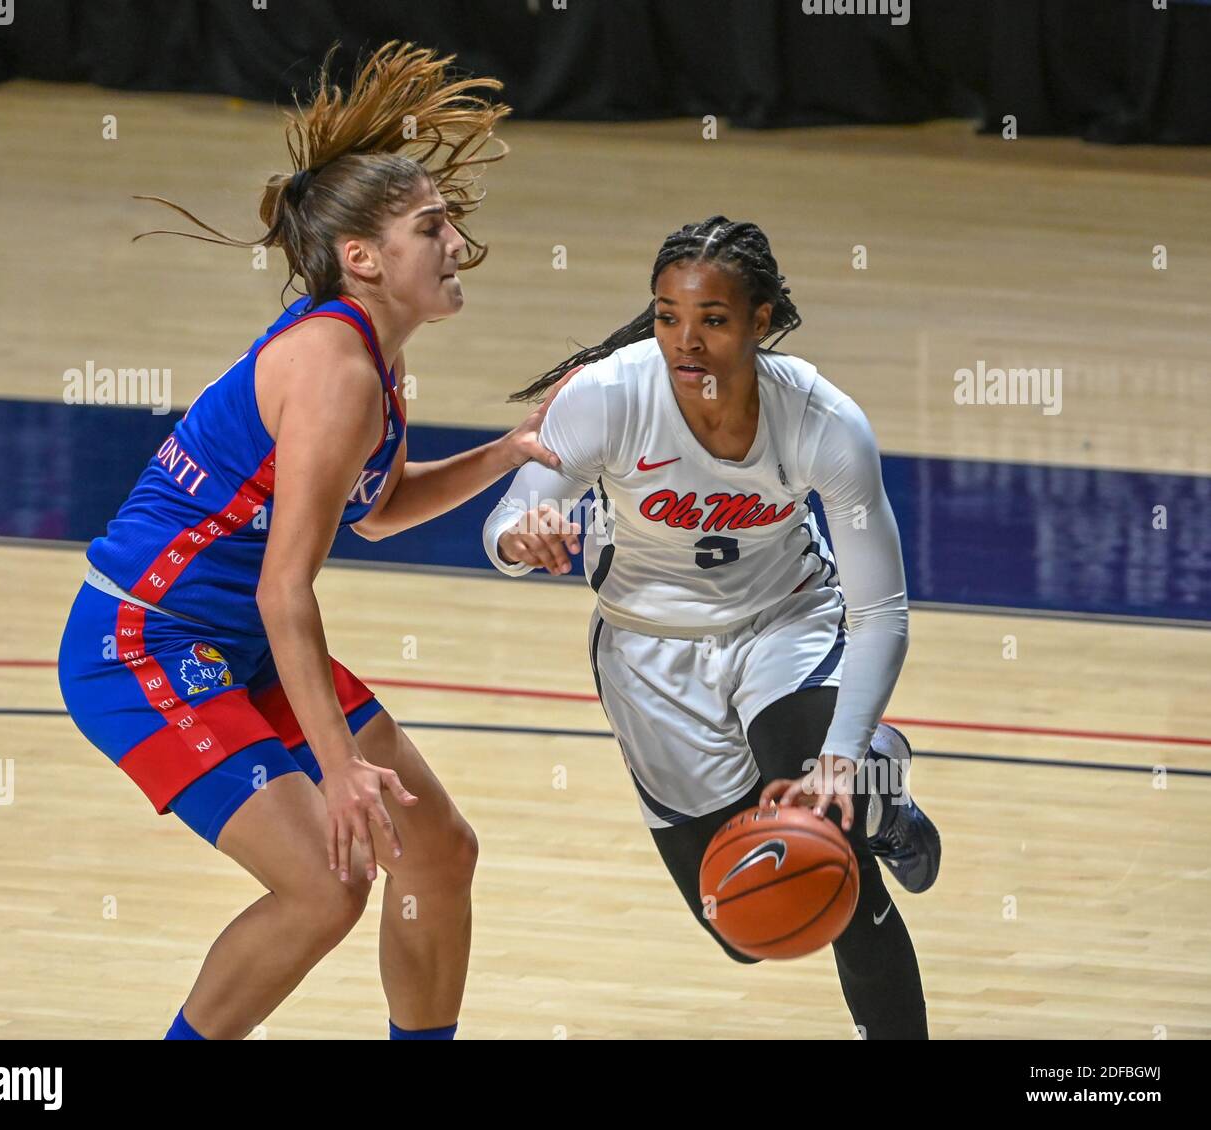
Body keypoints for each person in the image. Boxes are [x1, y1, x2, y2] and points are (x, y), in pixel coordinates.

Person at [58, 42, 560, 1041]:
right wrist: (338, 769)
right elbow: (286, 587)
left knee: (436, 848)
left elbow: (374, 509)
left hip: (231, 643)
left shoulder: (372, 357)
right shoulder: (335, 367)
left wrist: (512, 447)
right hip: (144, 643)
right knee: (329, 885)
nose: (456, 240)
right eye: (431, 226)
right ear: (363, 258)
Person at [482, 216, 940, 1038]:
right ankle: (882, 791)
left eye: (713, 320)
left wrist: (835, 761)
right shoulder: (610, 395)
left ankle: (869, 791)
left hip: (784, 625)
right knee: (751, 924)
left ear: (760, 322)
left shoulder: (823, 421)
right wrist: (523, 536)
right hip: (647, 651)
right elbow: (510, 520)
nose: (685, 342)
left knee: (829, 845)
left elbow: (881, 610)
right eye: (667, 316)